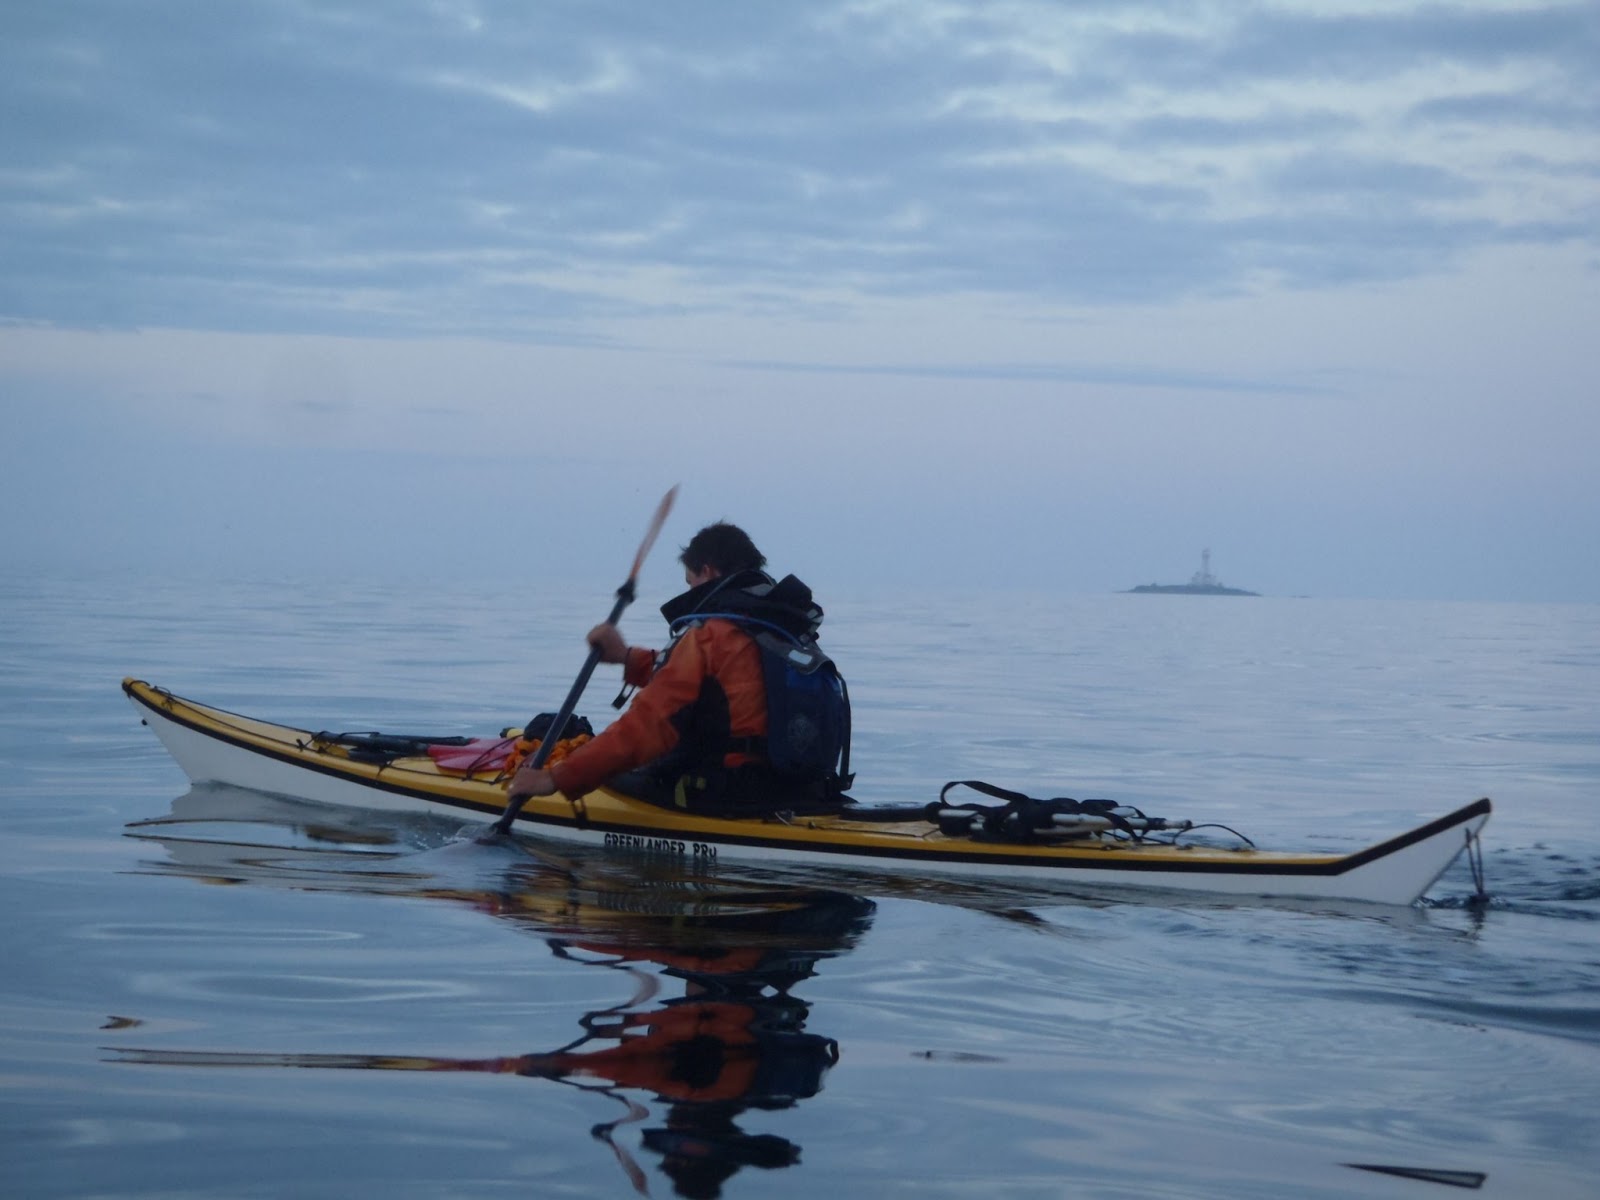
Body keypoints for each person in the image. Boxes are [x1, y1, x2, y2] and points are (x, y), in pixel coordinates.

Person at [509, 522, 847, 812]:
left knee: (612, 773)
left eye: (689, 582)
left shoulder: (710, 634)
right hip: (800, 790)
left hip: (728, 796)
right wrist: (627, 657)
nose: (690, 590)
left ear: (708, 572)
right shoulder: (782, 628)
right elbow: (718, 687)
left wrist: (554, 778)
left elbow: (646, 727)